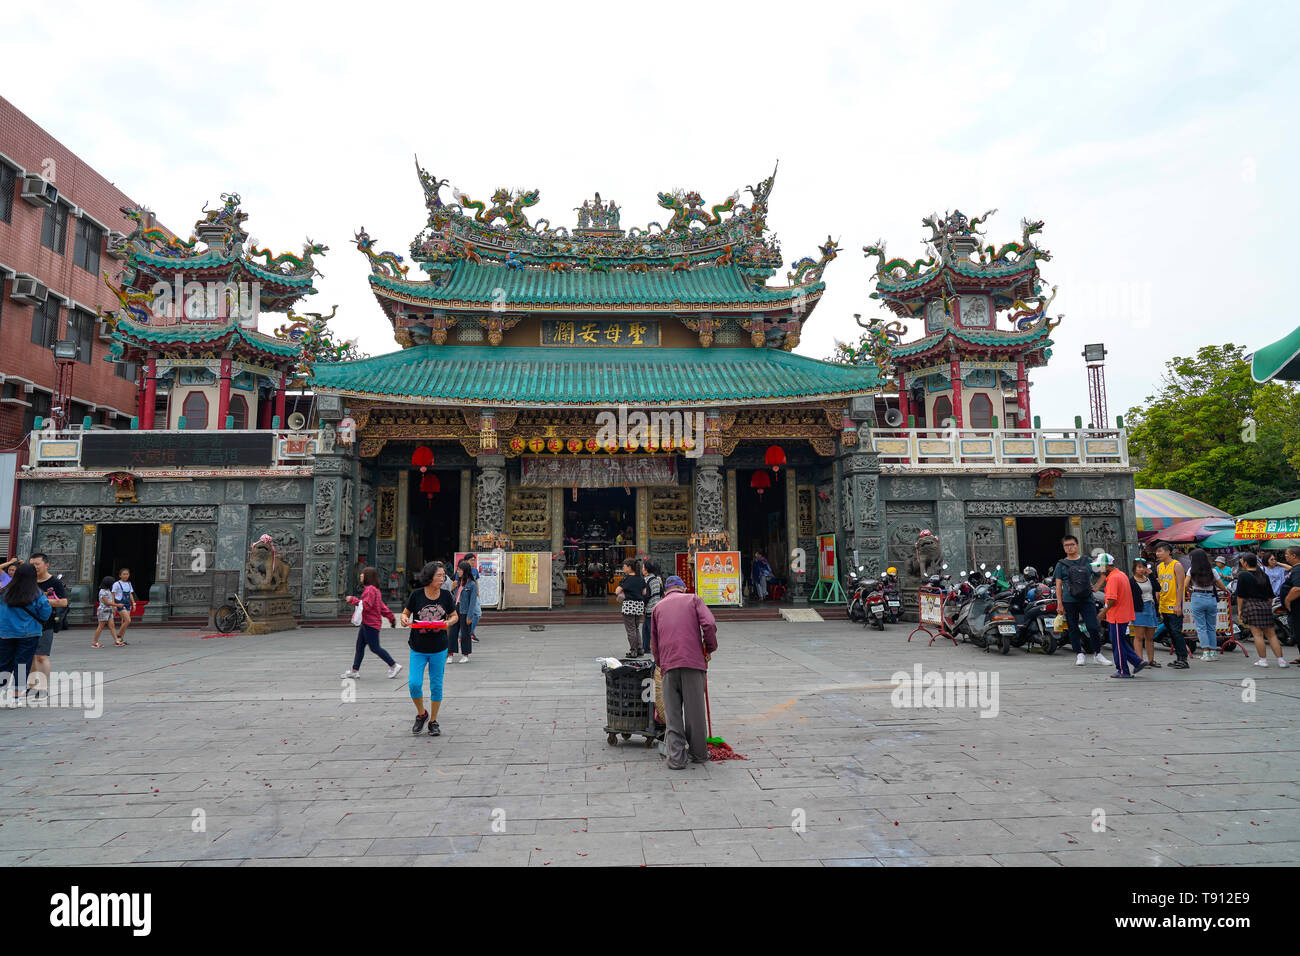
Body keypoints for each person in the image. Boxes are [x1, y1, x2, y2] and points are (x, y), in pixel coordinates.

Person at [649, 575, 718, 770]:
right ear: (683, 588)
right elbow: (709, 624)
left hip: (668, 665)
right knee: (695, 712)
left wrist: (661, 665)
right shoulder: (693, 599)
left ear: (665, 591)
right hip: (693, 663)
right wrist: (709, 648)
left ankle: (677, 758)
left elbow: (654, 643)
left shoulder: (657, 608)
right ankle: (698, 753)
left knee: (672, 714)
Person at [399, 561, 458, 736]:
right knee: (414, 683)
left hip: (439, 647)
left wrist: (448, 622)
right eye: (439, 575)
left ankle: (433, 721)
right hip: (418, 647)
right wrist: (403, 619)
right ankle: (421, 714)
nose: (443, 578)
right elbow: (406, 613)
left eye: (443, 575)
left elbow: (453, 615)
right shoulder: (417, 595)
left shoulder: (446, 596)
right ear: (430, 577)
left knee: (436, 685)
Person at [1053, 535, 1110, 666]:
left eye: (1072, 544)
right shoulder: (1061, 564)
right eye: (1066, 545)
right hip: (1069, 600)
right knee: (1073, 628)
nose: (1069, 547)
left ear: (1077, 545)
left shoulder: (1088, 560)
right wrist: (1059, 603)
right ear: (1063, 548)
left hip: (1087, 599)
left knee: (1093, 626)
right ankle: (1079, 654)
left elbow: (1103, 574)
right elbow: (1058, 585)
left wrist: (1096, 588)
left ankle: (1098, 654)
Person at [0, 563, 50, 702]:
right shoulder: (37, 593)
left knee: (3, 662)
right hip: (29, 633)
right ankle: (16, 696)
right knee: (22, 663)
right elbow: (45, 613)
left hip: (5, 633)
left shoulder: (4, 592)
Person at [342, 566, 400, 679]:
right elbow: (382, 607)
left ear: (368, 576)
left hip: (370, 624)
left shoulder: (370, 590)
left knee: (375, 648)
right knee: (360, 647)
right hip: (368, 624)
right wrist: (391, 618)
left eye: (362, 574)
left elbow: (366, 606)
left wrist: (353, 600)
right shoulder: (375, 590)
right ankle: (355, 670)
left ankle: (394, 665)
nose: (360, 576)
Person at [1096, 554, 1144, 678]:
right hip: (1122, 614)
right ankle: (1137, 662)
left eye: (1099, 566)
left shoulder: (1113, 578)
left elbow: (1112, 599)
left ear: (1106, 566)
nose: (1098, 569)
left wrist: (1102, 613)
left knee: (1117, 644)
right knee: (1119, 642)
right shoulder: (1120, 574)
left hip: (1117, 615)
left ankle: (1123, 670)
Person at [28, 552, 68, 698]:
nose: (35, 567)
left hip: (46, 622)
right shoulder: (28, 581)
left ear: (46, 564)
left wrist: (42, 601)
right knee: (30, 656)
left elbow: (64, 602)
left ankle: (43, 687)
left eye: (37, 564)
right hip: (27, 623)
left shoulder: (54, 582)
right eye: (32, 564)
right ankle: (31, 686)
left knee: (41, 656)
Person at [1238, 553, 1288, 667]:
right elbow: (1270, 595)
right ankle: (1281, 660)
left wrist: (1240, 610)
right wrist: (1268, 607)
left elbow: (1240, 596)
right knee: (1271, 635)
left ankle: (1263, 660)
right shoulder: (1263, 575)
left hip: (1251, 606)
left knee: (1258, 635)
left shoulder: (1243, 575)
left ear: (1245, 563)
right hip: (1265, 605)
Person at [1185, 548, 1230, 661]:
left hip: (1197, 598)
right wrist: (1225, 591)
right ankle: (1213, 652)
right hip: (1211, 598)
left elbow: (1185, 585)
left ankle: (1206, 653)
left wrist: (1191, 590)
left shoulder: (1191, 570)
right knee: (1211, 627)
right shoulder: (1212, 571)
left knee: (1201, 627)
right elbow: (1221, 585)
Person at [1154, 542, 1191, 669]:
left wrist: (1179, 604)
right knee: (1170, 632)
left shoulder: (1177, 565)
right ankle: (1178, 657)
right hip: (1164, 604)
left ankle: (1183, 658)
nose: (1157, 554)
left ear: (1168, 552)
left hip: (1174, 604)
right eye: (1157, 551)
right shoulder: (1159, 567)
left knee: (1176, 632)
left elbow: (1181, 586)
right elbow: (1159, 585)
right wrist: (1159, 604)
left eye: (1160, 551)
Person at [447, 559, 480, 664]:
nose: (458, 572)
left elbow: (472, 602)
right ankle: (450, 654)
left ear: (465, 571)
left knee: (465, 634)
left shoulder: (472, 585)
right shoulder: (458, 583)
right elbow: (453, 596)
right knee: (452, 632)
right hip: (456, 609)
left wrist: (470, 616)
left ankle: (465, 655)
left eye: (460, 570)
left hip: (465, 610)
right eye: (458, 570)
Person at [1130, 559, 1160, 668]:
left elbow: (1158, 588)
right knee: (1139, 637)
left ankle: (1151, 660)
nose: (1142, 569)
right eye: (1139, 567)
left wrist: (1151, 575)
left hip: (1151, 608)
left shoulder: (1148, 579)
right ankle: (1140, 661)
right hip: (1139, 609)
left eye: (1143, 567)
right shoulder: (1131, 581)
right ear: (1134, 569)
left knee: (1150, 637)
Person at [615, 558, 647, 657]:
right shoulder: (641, 579)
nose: (623, 568)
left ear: (629, 567)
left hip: (629, 605)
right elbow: (644, 592)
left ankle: (633, 651)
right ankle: (640, 649)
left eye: (624, 567)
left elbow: (617, 591)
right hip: (639, 605)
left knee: (630, 630)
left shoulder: (626, 579)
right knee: (636, 628)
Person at [641, 559, 664, 655]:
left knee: (650, 631)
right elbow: (661, 593)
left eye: (643, 568)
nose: (642, 570)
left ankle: (655, 649)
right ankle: (646, 648)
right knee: (646, 629)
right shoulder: (657, 579)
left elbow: (645, 595)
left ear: (646, 570)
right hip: (657, 607)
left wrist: (643, 607)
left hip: (649, 609)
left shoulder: (646, 580)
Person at [92, 577, 120, 648]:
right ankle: (95, 642)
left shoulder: (107, 590)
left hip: (109, 610)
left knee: (112, 626)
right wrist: (116, 605)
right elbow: (107, 602)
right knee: (100, 626)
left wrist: (113, 608)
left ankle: (116, 640)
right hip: (103, 610)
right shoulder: (103, 591)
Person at [111, 568, 135, 645]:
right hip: (119, 603)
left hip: (127, 603)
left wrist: (133, 603)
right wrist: (113, 604)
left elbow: (130, 594)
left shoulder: (129, 583)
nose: (125, 576)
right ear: (120, 575)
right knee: (128, 620)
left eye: (127, 574)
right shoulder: (116, 584)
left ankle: (120, 639)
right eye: (124, 574)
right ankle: (118, 636)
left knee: (124, 622)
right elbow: (112, 594)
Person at [1284, 546, 1300, 666]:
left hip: (1297, 607)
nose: (1286, 556)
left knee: (1298, 632)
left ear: (1294, 556)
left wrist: (1288, 600)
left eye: (1287, 554)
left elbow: (1297, 589)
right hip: (1294, 609)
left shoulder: (1298, 570)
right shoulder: (1295, 569)